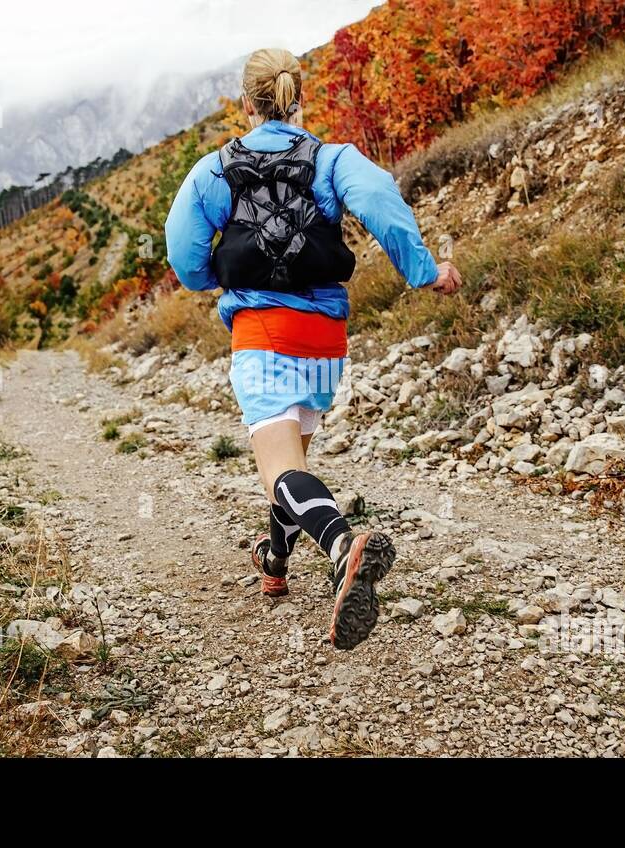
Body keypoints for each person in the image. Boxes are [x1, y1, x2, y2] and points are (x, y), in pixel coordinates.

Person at [165, 47, 461, 650]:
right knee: (291, 463)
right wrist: (426, 272)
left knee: (278, 471)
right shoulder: (332, 159)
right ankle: (274, 562)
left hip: (262, 335)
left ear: (247, 106)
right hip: (325, 341)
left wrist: (207, 279)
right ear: (299, 98)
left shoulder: (213, 171)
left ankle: (342, 545)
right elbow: (381, 201)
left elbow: (183, 255)